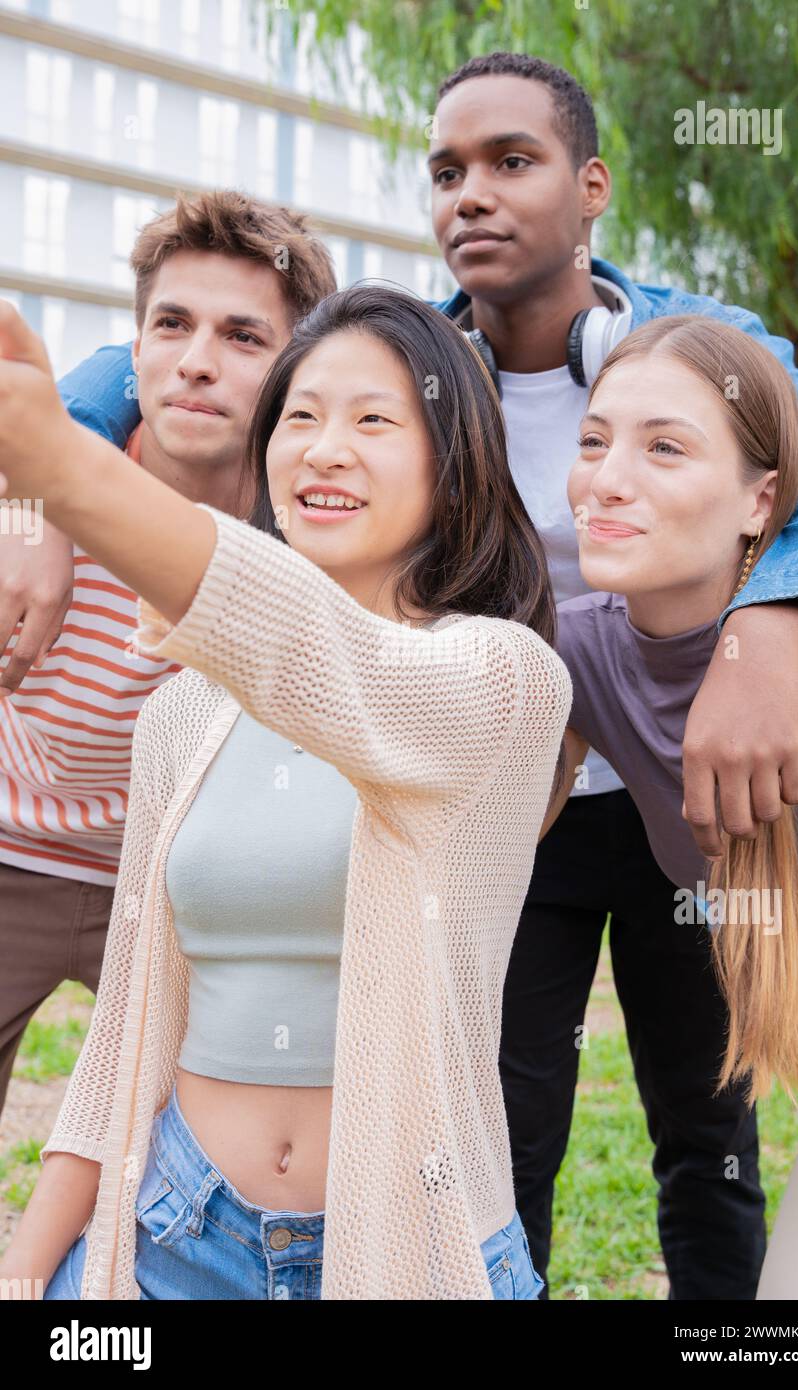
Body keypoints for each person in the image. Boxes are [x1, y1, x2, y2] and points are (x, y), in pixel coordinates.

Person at [0, 284, 571, 1300]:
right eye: (298, 417)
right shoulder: (183, 714)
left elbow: (329, 661)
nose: (323, 448)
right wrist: (32, 1262)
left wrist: (66, 469)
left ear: (455, 464)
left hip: (413, 1245)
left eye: (372, 420)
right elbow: (127, 1024)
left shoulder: (501, 680)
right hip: (175, 1235)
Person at [424, 52, 798, 1298]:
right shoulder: (416, 371)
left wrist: (766, 632)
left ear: (591, 186)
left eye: (513, 162)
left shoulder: (702, 347)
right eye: (447, 171)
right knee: (502, 1118)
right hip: (549, 766)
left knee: (705, 1128)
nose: (473, 194)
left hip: (716, 782)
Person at [546, 311, 798, 1298]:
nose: (605, 477)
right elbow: (484, 843)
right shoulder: (578, 652)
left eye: (664, 447)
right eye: (593, 440)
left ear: (759, 499)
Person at [0, 189, 336, 1123]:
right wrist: (24, 505)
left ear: (293, 366)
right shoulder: (30, 488)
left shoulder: (310, 531)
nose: (195, 363)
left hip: (175, 883)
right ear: (135, 343)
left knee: (185, 1155)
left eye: (242, 337)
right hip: (9, 847)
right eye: (172, 326)